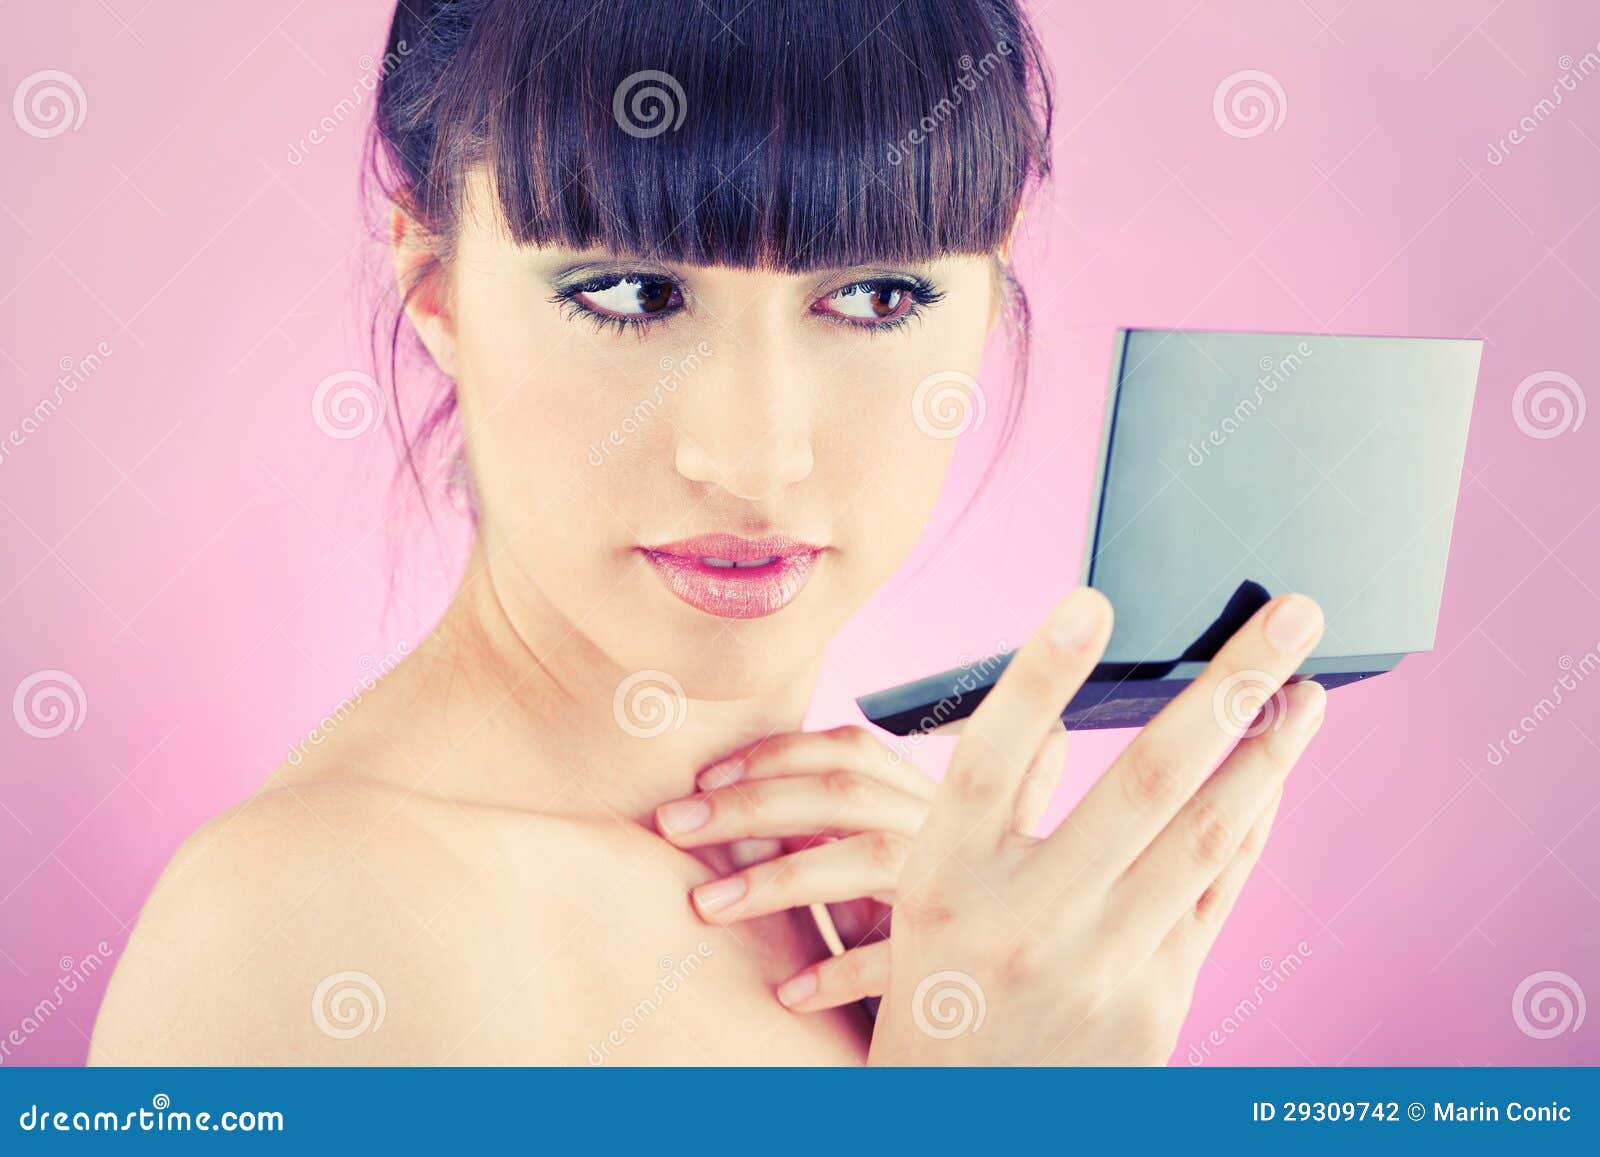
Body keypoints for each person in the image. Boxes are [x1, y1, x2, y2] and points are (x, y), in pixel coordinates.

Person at [90, 0, 1327, 1065]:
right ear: (434, 283)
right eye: (629, 293)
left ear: (991, 277)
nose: (752, 457)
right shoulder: (304, 926)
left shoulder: (891, 928)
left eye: (874, 295)